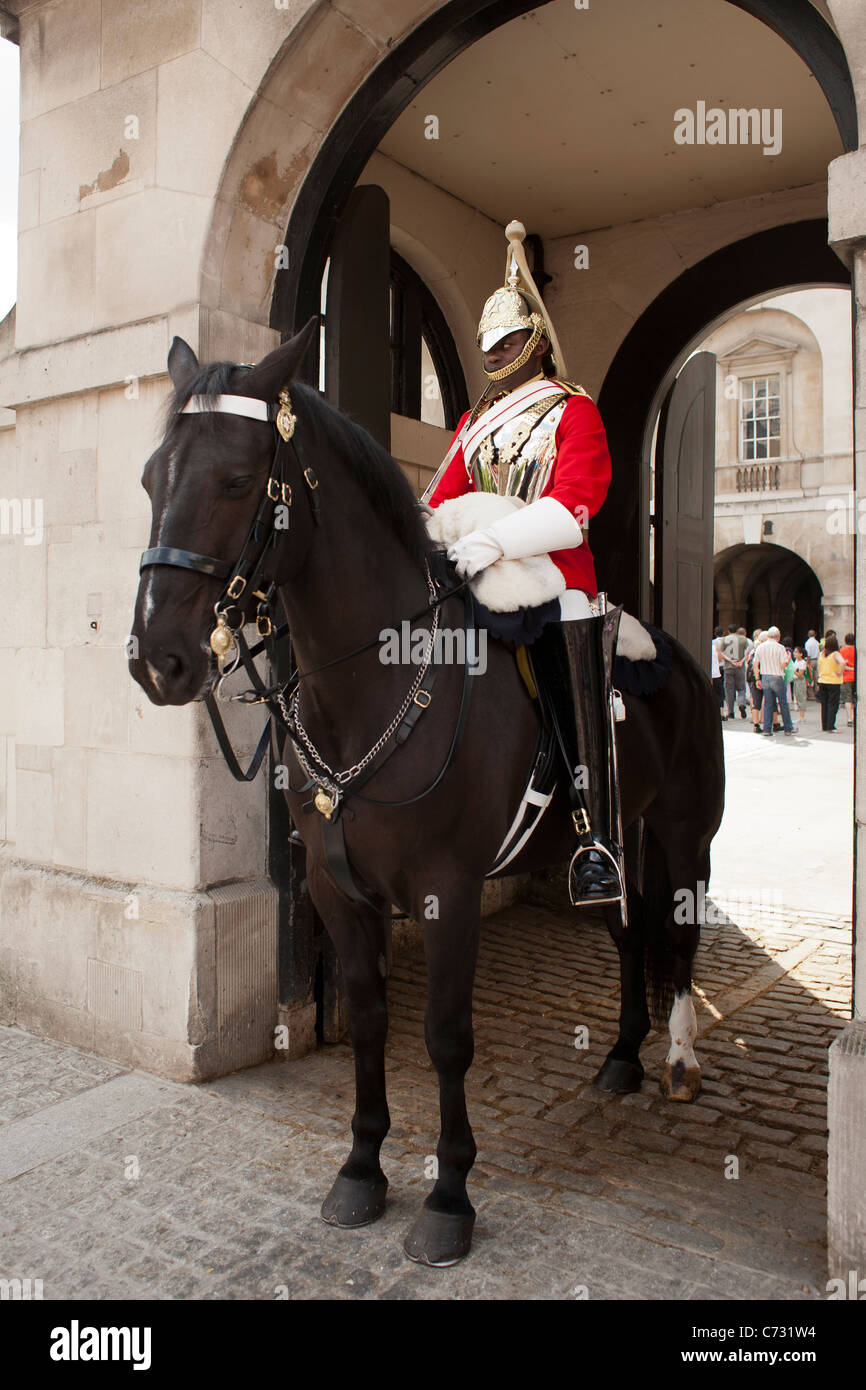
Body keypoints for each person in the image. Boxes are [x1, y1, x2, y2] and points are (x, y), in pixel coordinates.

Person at [424, 219, 623, 908]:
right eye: (488, 344)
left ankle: (596, 834)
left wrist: (499, 540)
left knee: (569, 636)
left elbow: (574, 508)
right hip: (480, 567)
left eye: (508, 340)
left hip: (553, 570)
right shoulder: (472, 424)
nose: (496, 352)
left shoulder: (575, 411)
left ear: (535, 340)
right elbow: (440, 498)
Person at [755, 625, 795, 737]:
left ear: (768, 636)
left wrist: (757, 678)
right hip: (777, 676)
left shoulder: (761, 647)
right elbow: (782, 666)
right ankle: (788, 728)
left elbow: (755, 663)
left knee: (768, 703)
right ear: (778, 636)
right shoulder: (780, 648)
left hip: (765, 677)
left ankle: (767, 730)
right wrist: (787, 659)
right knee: (783, 703)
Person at [817, 634, 847, 732]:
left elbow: (818, 667)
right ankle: (831, 726)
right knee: (833, 704)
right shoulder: (835, 654)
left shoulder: (821, 654)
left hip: (822, 680)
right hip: (833, 681)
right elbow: (842, 662)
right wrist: (840, 672)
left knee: (824, 704)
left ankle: (824, 725)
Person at [720, 625, 749, 720]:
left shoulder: (724, 639)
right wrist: (742, 661)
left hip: (728, 667)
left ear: (728, 631)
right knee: (741, 688)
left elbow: (721, 653)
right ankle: (741, 704)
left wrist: (730, 660)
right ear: (737, 631)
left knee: (729, 690)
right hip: (740, 667)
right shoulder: (743, 639)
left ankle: (731, 712)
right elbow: (748, 652)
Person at [840, 632, 856, 726]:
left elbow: (841, 665)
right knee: (855, 698)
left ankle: (849, 718)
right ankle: (856, 717)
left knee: (847, 699)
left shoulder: (842, 651)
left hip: (846, 677)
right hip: (856, 677)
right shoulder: (857, 650)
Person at [790, 647, 809, 725]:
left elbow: (800, 675)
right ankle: (801, 716)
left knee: (801, 697)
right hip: (795, 681)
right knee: (797, 697)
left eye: (796, 652)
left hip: (800, 681)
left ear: (801, 654)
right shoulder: (796, 661)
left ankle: (802, 717)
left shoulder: (802, 663)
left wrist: (793, 671)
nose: (794, 653)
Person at [711, 637, 725, 718]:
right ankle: (721, 713)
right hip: (716, 673)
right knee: (719, 693)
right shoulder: (714, 647)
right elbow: (720, 659)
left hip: (707, 674)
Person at [804, 628, 820, 697]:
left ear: (808, 635)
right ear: (815, 635)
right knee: (816, 678)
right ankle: (817, 693)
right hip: (817, 660)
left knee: (809, 677)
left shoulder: (808, 643)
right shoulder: (817, 642)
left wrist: (807, 663)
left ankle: (811, 694)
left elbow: (808, 654)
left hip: (810, 661)